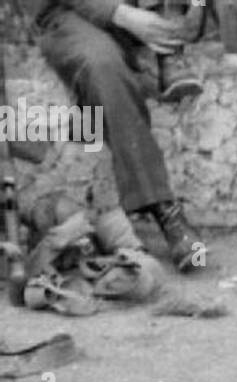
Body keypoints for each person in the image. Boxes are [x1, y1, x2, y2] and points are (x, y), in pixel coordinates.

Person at [28, 0, 205, 271]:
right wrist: (119, 14)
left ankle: (170, 57)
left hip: (136, 15)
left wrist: (195, 5)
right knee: (103, 63)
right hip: (69, 16)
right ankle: (164, 208)